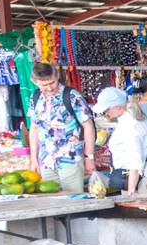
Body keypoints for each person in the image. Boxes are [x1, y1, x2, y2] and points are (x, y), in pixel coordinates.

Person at [27, 62, 96, 193]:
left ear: (57, 75)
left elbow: (88, 126)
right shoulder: (35, 98)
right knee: (50, 202)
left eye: (52, 82)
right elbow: (34, 128)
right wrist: (34, 159)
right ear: (35, 82)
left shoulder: (72, 96)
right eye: (44, 85)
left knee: (73, 202)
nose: (49, 88)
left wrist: (89, 157)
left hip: (71, 160)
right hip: (46, 161)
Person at [92, 87, 147, 194]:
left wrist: (131, 192)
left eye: (106, 110)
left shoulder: (129, 124)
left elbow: (135, 160)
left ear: (118, 107)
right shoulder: (131, 117)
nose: (105, 113)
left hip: (141, 182)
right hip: (143, 178)